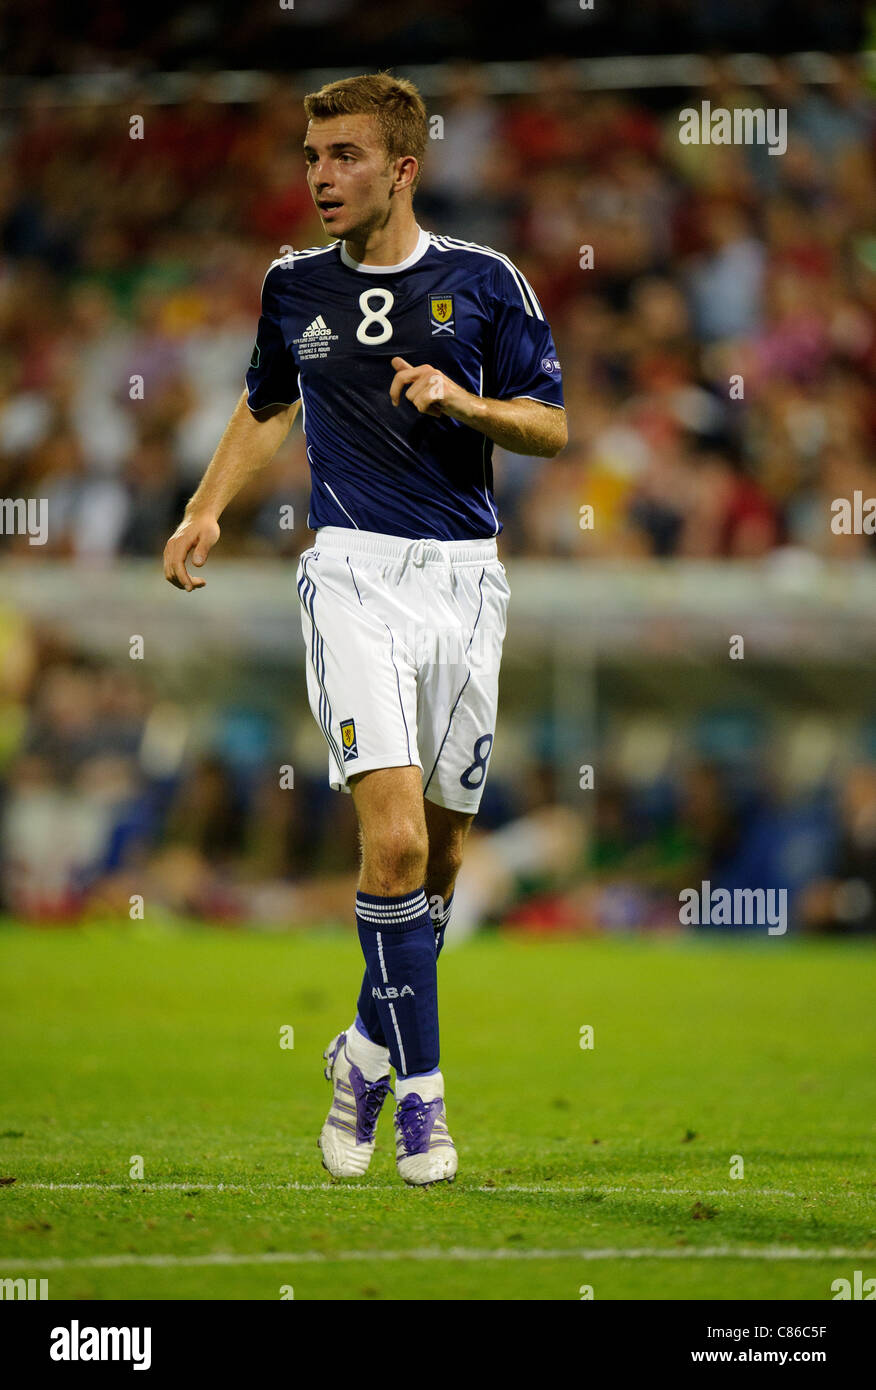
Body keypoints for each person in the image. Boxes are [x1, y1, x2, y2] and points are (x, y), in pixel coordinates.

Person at [163, 72, 566, 1185]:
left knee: (434, 868)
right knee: (387, 845)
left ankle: (365, 1049)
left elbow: (551, 424)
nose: (319, 177)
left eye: (342, 156)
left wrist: (464, 404)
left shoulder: (486, 281)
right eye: (309, 156)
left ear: (402, 167)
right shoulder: (291, 287)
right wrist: (205, 508)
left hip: (466, 584)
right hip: (350, 576)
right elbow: (265, 403)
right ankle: (425, 1104)